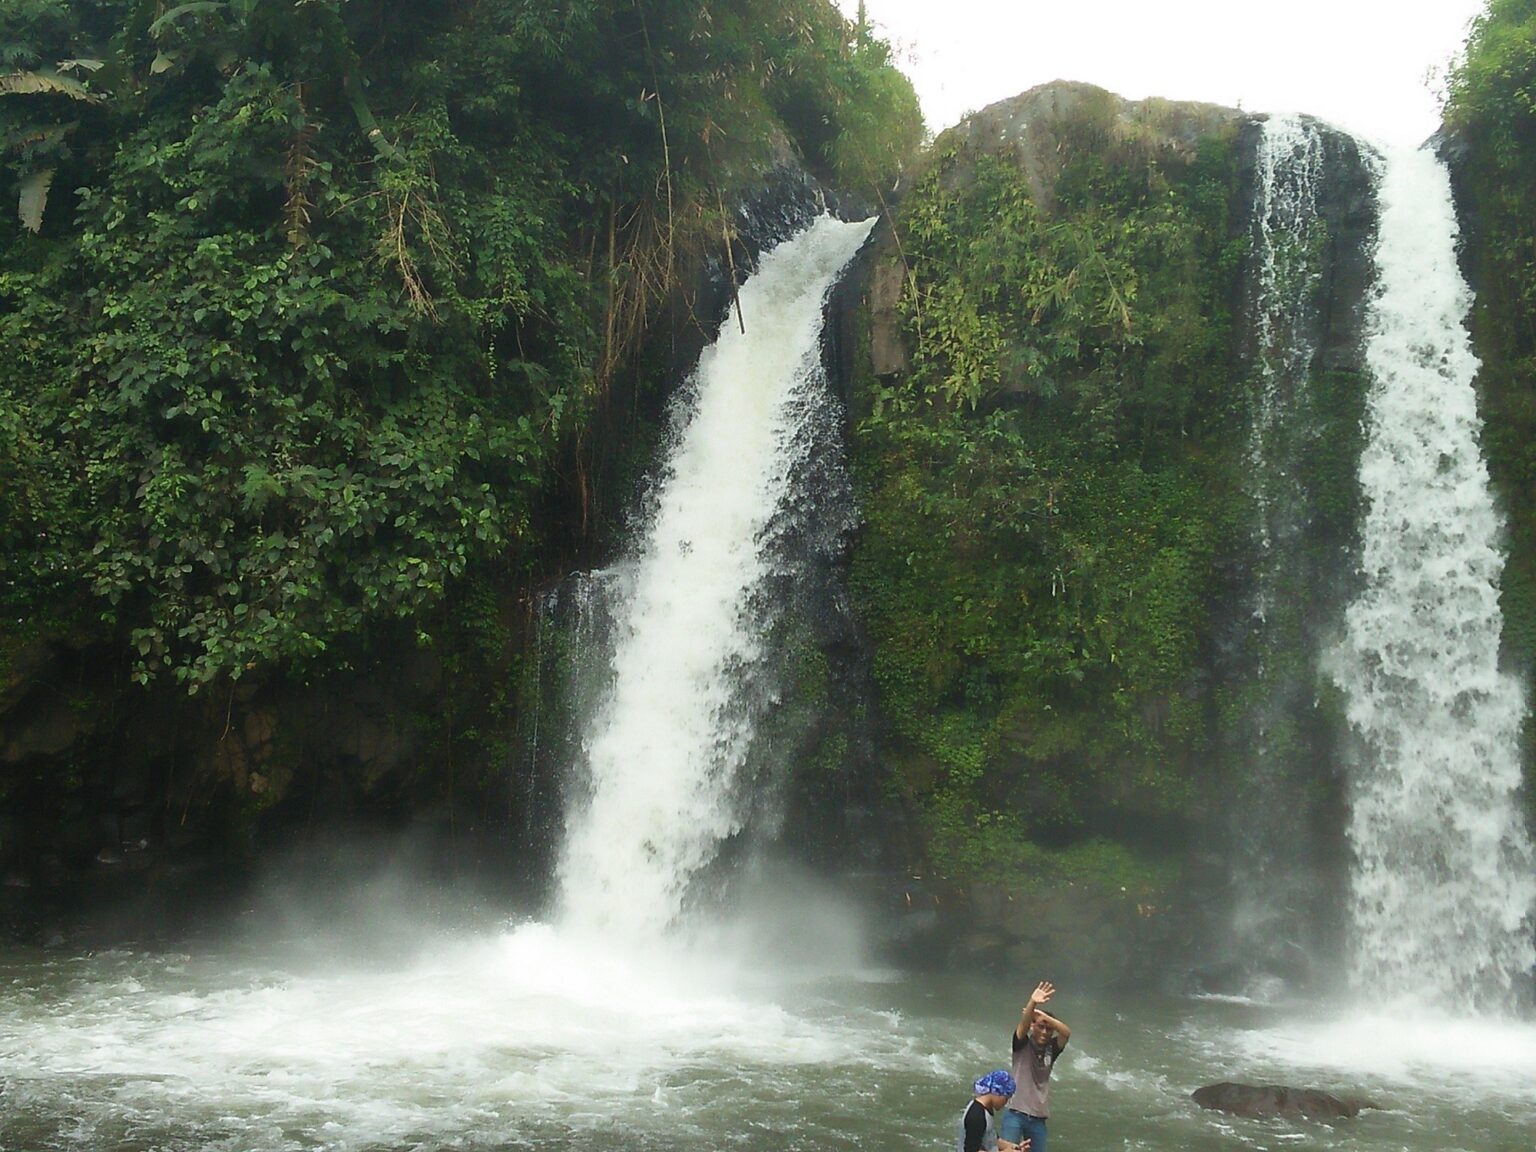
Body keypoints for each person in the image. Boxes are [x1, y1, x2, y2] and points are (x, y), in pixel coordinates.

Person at [999, 981, 1071, 1152]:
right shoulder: (1022, 1044)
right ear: (1033, 1026)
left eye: (1049, 1028)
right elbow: (1022, 1026)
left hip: (1038, 1118)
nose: (1045, 1032)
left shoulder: (1051, 1049)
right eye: (1040, 1026)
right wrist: (1032, 1003)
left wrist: (1044, 1017)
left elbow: (1066, 1033)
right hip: (1015, 1112)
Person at [960, 1070, 1030, 1152]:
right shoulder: (976, 1115)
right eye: (1006, 1098)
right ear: (997, 1092)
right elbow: (971, 1150)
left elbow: (992, 1140)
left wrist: (1015, 1148)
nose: (1006, 1103)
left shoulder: (987, 1110)